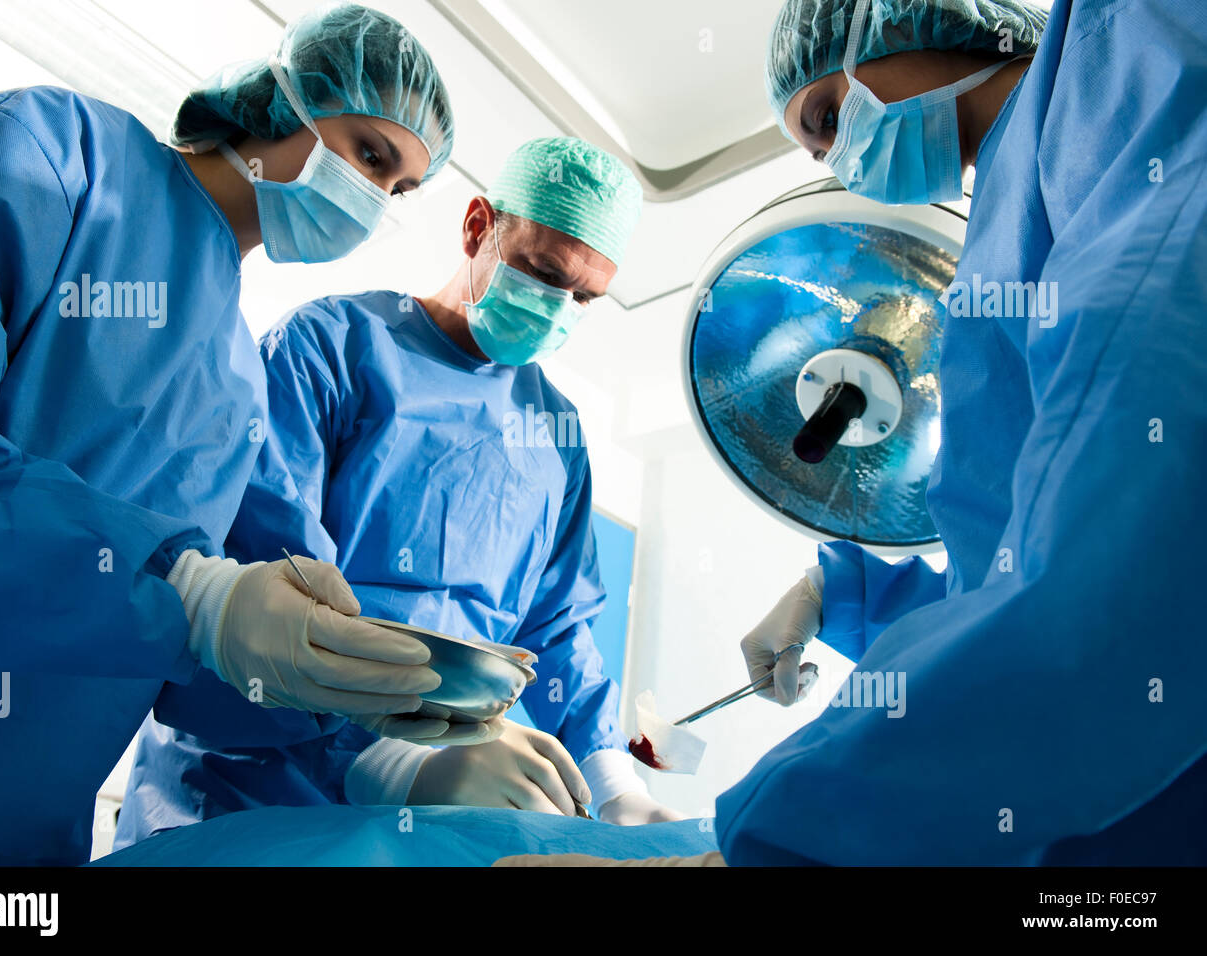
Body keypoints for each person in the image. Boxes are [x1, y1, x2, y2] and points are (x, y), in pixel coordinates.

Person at [502, 0, 1207, 867]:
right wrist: (847, 595)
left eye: (833, 118)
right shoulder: (1014, 217)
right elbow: (1012, 576)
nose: (847, 161)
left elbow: (1137, 553)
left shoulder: (1127, 41)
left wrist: (775, 849)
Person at [0, 2, 479, 865]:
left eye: (398, 189)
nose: (373, 199)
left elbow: (210, 666)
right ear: (286, 97)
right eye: (369, 154)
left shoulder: (237, 383)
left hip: (18, 853)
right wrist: (188, 592)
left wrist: (358, 707)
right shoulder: (56, 159)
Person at [116, 137, 683, 846]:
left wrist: (614, 783)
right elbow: (272, 580)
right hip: (245, 794)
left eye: (585, 297)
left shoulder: (555, 433)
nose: (558, 308)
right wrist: (382, 754)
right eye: (544, 273)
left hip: (430, 814)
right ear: (479, 226)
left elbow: (561, 624)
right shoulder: (333, 347)